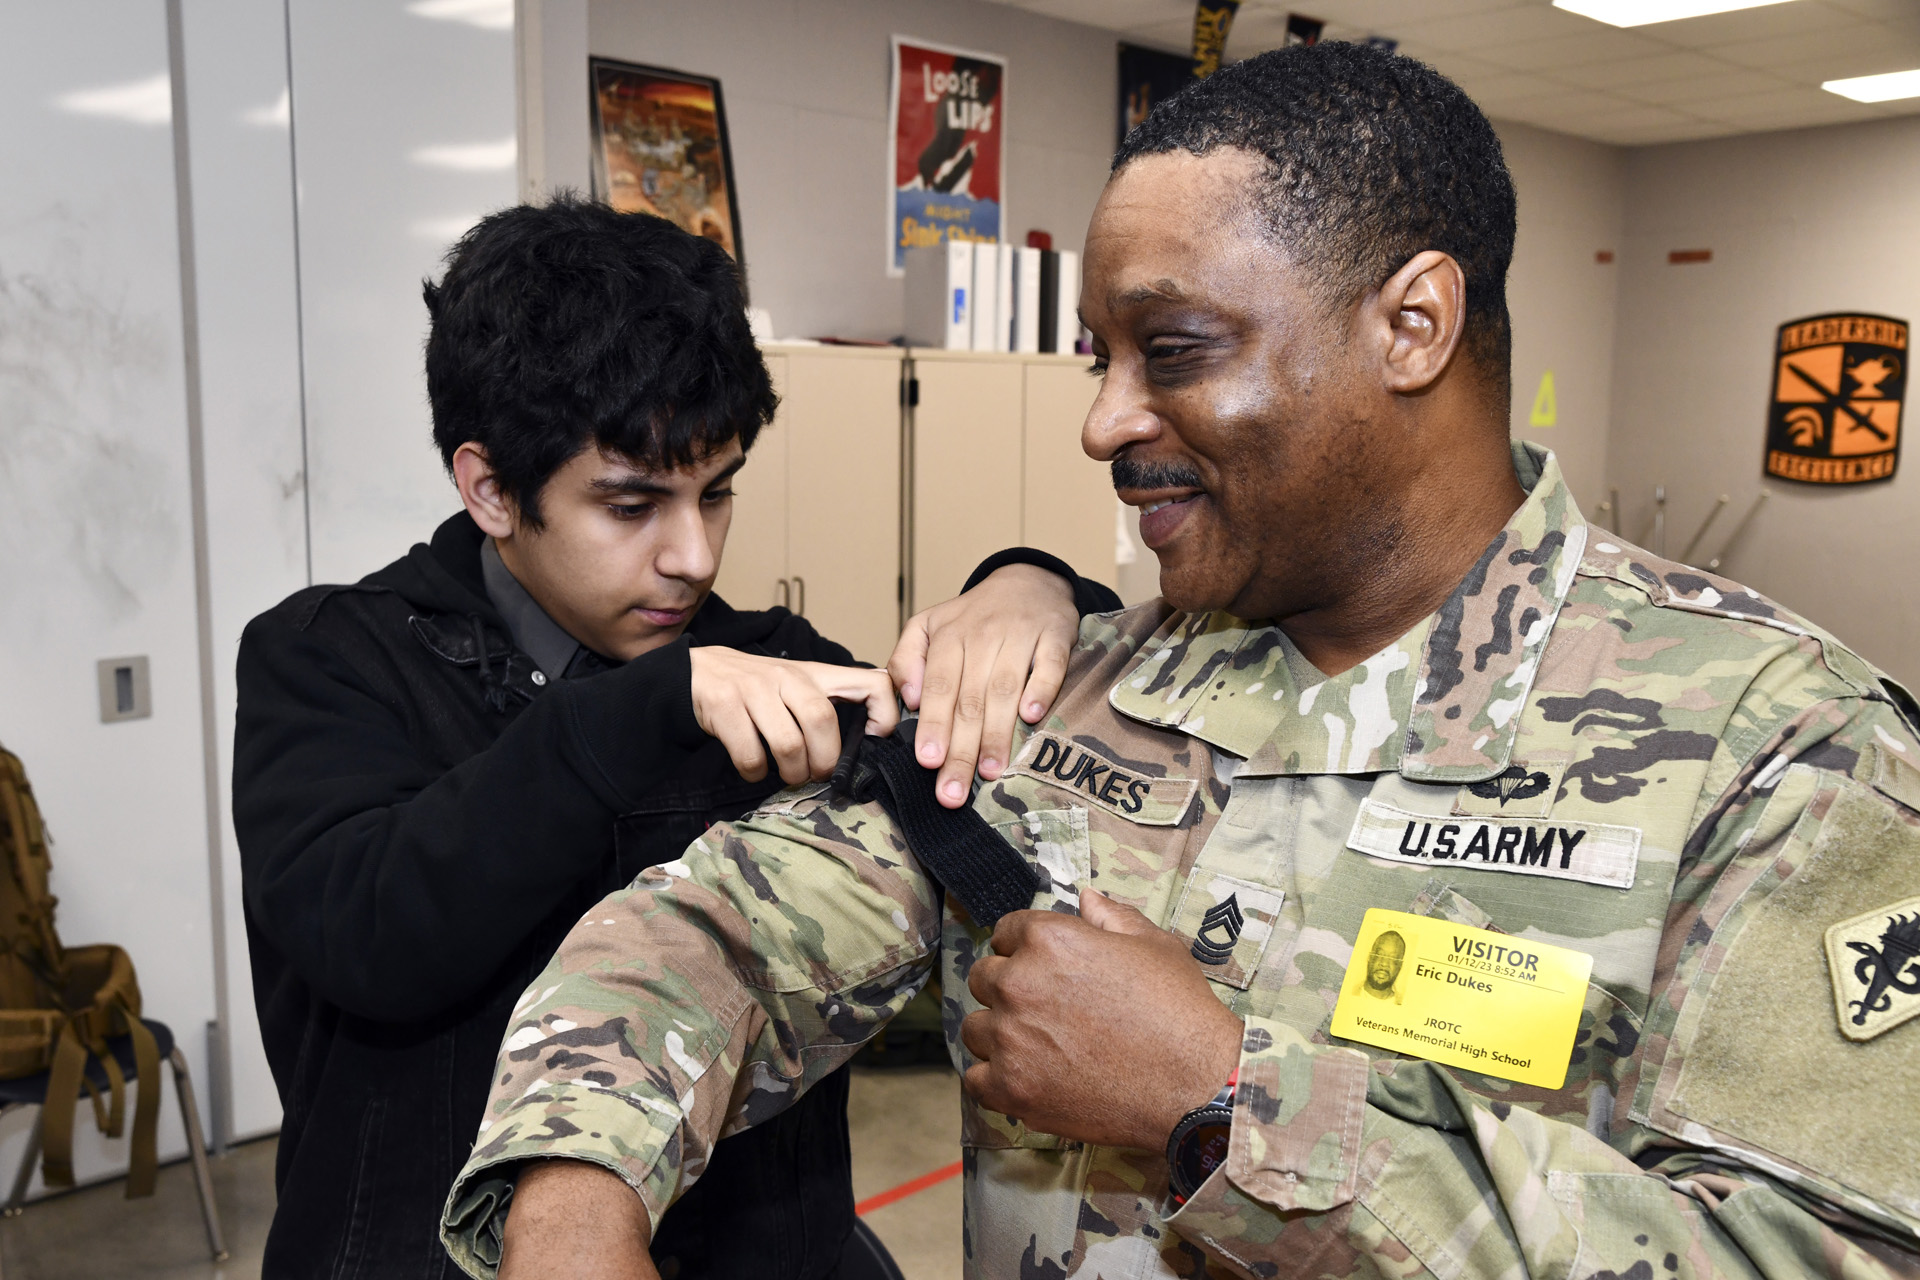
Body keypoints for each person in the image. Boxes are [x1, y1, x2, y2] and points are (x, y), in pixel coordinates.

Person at [439, 46, 1920, 1280]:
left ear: (1412, 323)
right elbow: (720, 933)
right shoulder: (1064, 694)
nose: (1101, 422)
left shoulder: (1783, 755)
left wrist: (1231, 1110)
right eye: (1097, 357)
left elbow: (1816, 1254)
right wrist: (577, 1204)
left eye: (1174, 349)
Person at [231, 197, 1117, 1279]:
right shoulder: (328, 658)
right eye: (633, 504)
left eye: (719, 491)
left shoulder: (771, 656)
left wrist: (1033, 585)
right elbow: (375, 933)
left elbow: (970, 778)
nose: (693, 555)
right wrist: (646, 705)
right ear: (491, 488)